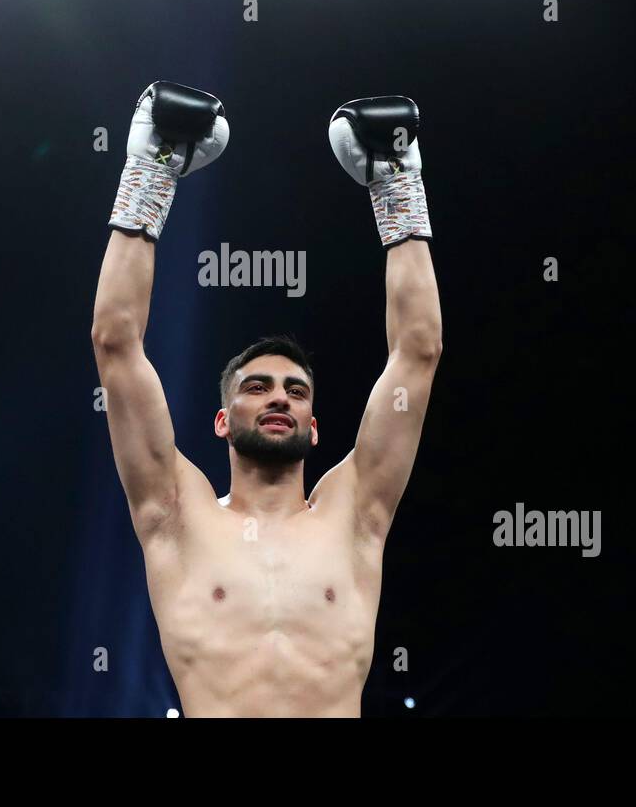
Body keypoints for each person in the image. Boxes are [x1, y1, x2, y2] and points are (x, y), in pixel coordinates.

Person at [91, 81, 442, 716]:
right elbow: (116, 343)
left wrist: (398, 188)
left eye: (296, 391)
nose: (279, 397)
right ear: (223, 420)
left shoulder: (356, 513)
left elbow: (418, 351)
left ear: (313, 426)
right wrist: (149, 171)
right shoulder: (176, 514)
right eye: (257, 387)